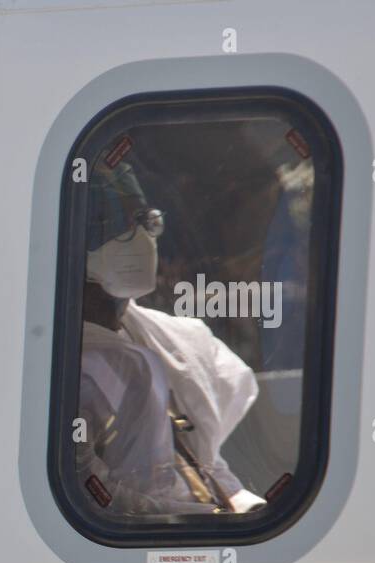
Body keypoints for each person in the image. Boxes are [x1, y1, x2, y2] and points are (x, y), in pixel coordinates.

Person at [77, 157, 267, 516]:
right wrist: (206, 519)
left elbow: (204, 466)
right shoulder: (62, 359)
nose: (142, 240)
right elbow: (92, 502)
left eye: (145, 222)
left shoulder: (181, 337)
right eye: (115, 226)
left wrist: (240, 504)